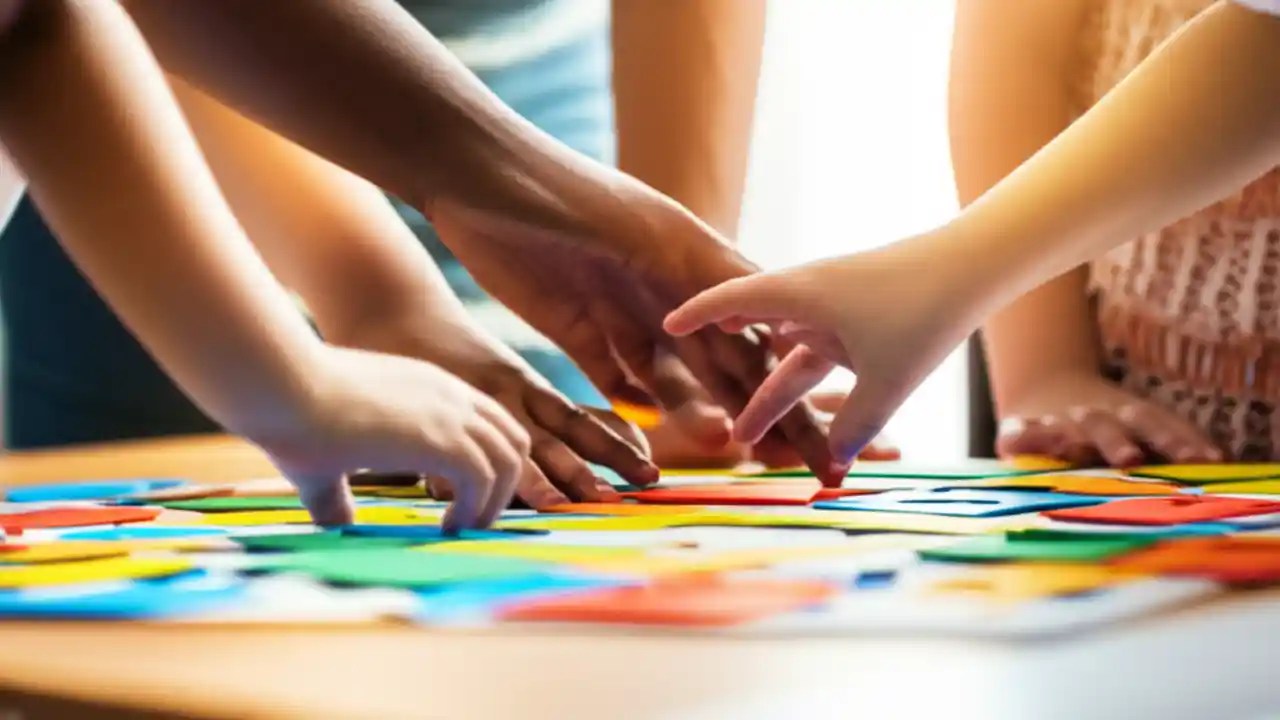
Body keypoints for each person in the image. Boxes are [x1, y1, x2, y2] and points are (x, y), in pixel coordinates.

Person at [665, 0, 1280, 465]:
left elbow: (1264, 43)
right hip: (1138, 409)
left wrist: (941, 275)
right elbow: (1014, 46)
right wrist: (1044, 370)